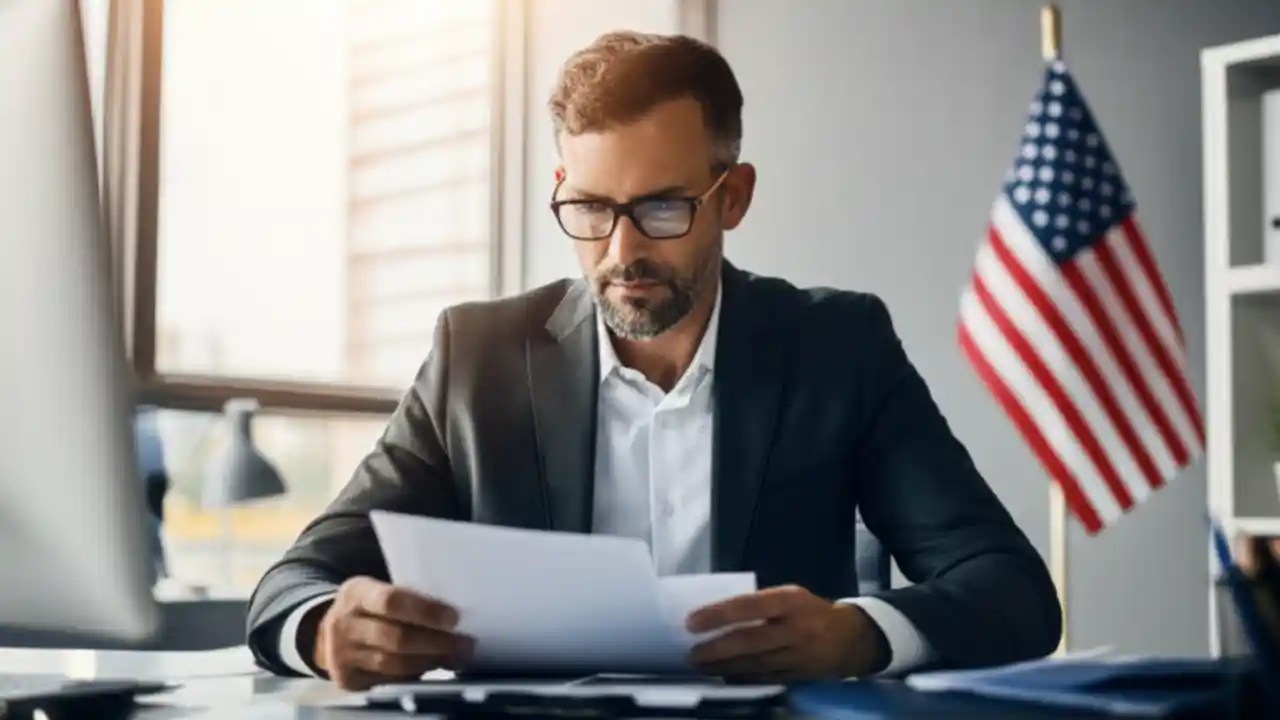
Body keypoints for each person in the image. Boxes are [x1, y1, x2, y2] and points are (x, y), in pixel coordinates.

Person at [246, 31, 1061, 690]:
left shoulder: (836, 347)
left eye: (662, 208)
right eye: (592, 208)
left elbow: (1013, 591)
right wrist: (326, 630)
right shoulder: (477, 357)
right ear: (564, 185)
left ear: (732, 196)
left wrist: (854, 634)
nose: (621, 250)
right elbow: (294, 583)